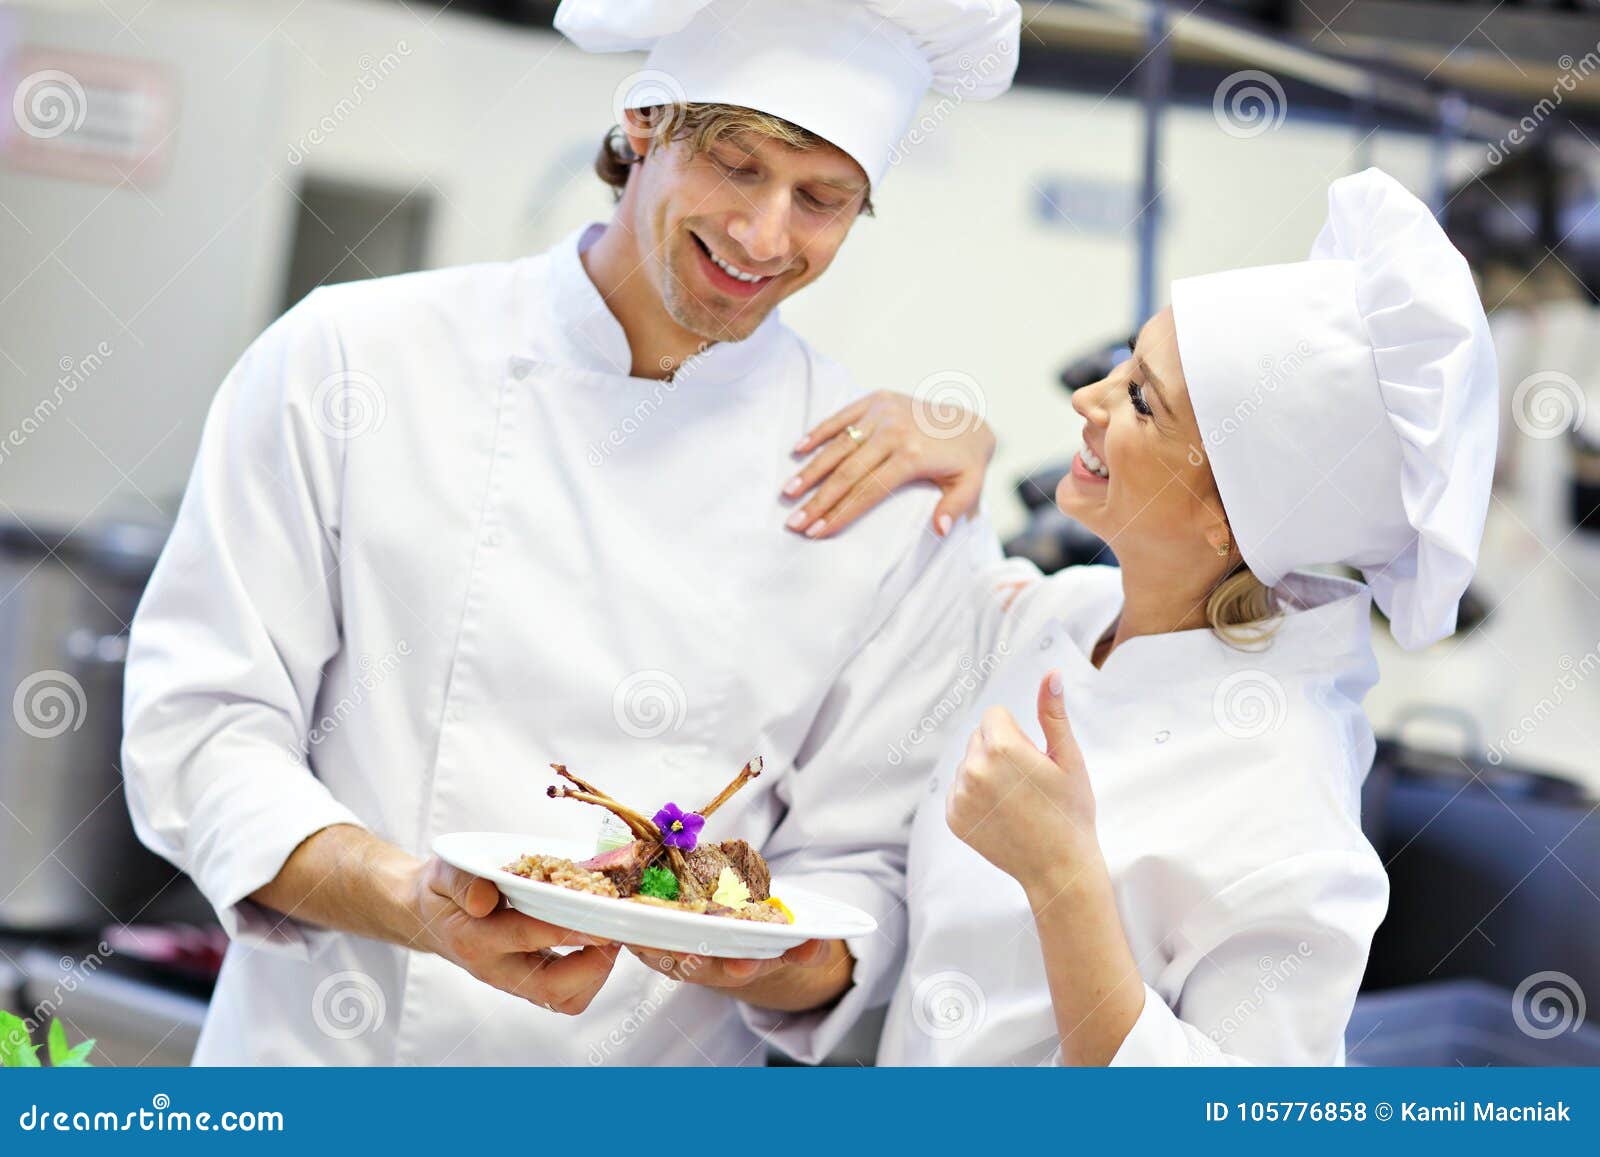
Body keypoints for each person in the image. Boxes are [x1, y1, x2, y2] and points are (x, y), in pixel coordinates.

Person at [120, 0, 1020, 1065]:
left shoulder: (890, 497)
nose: (765, 235)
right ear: (644, 121)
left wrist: (760, 952)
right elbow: (204, 730)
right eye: (736, 166)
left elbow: (865, 877)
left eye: (823, 198)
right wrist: (417, 902)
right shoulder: (352, 361)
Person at [790, 167, 1499, 1063]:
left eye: (1139, 399)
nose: (1087, 400)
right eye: (1125, 364)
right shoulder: (1065, 616)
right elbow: (941, 597)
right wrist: (952, 442)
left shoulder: (1291, 796)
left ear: (1228, 517)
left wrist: (1063, 878)